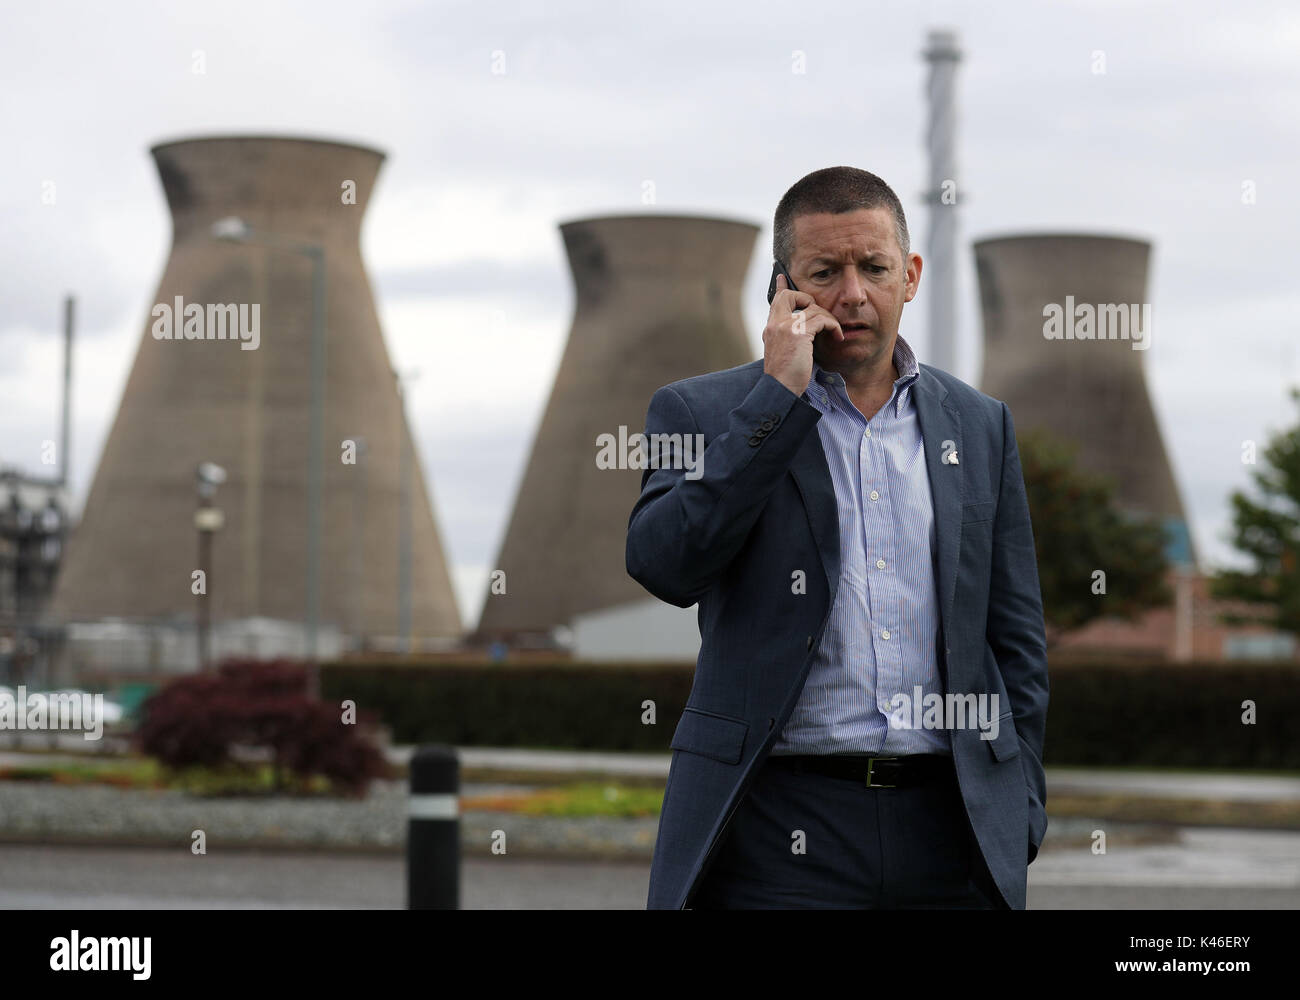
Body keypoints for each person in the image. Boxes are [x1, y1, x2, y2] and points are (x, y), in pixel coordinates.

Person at [626, 165, 1048, 909]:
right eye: (825, 272)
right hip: (776, 831)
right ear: (783, 288)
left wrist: (1019, 804)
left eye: (875, 268)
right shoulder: (698, 409)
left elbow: (1014, 637)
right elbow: (666, 564)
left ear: (910, 275)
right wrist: (775, 400)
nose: (852, 294)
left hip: (950, 832)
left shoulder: (981, 425)